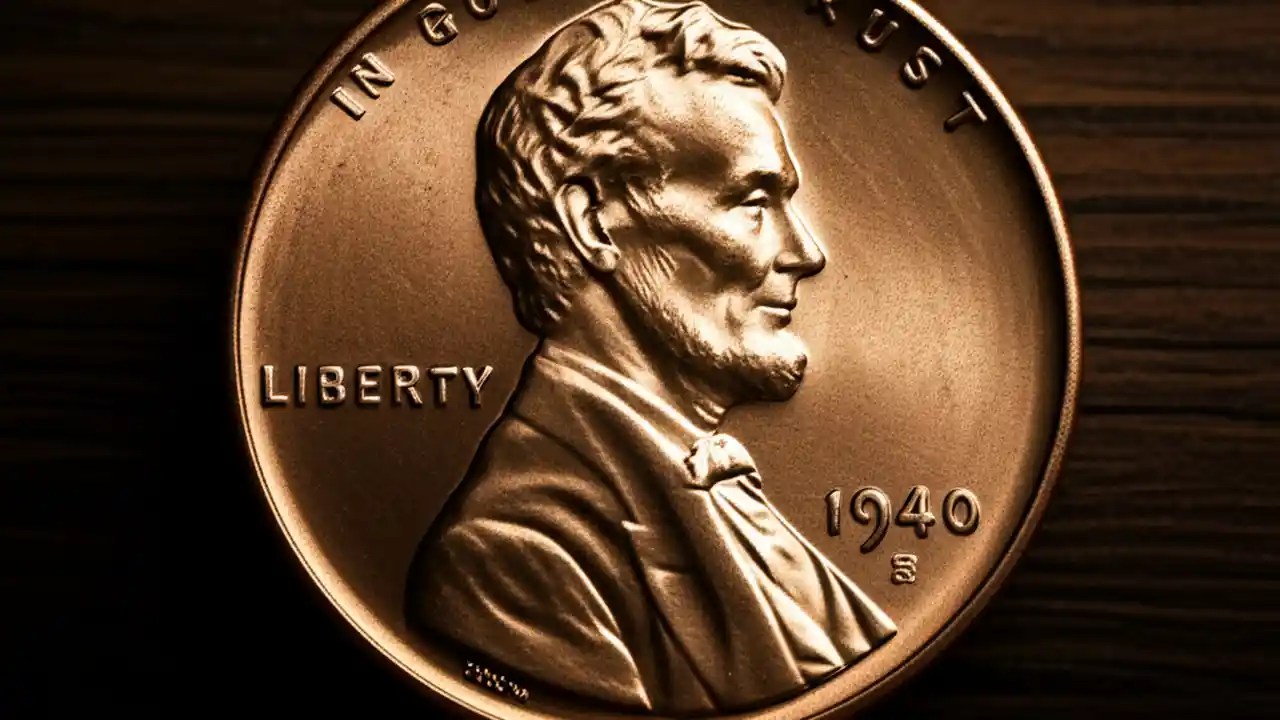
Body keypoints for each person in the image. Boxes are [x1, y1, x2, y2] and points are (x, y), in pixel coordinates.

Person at [404, 0, 896, 713]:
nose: (807, 253)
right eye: (753, 202)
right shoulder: (510, 555)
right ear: (592, 221)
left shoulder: (712, 491)